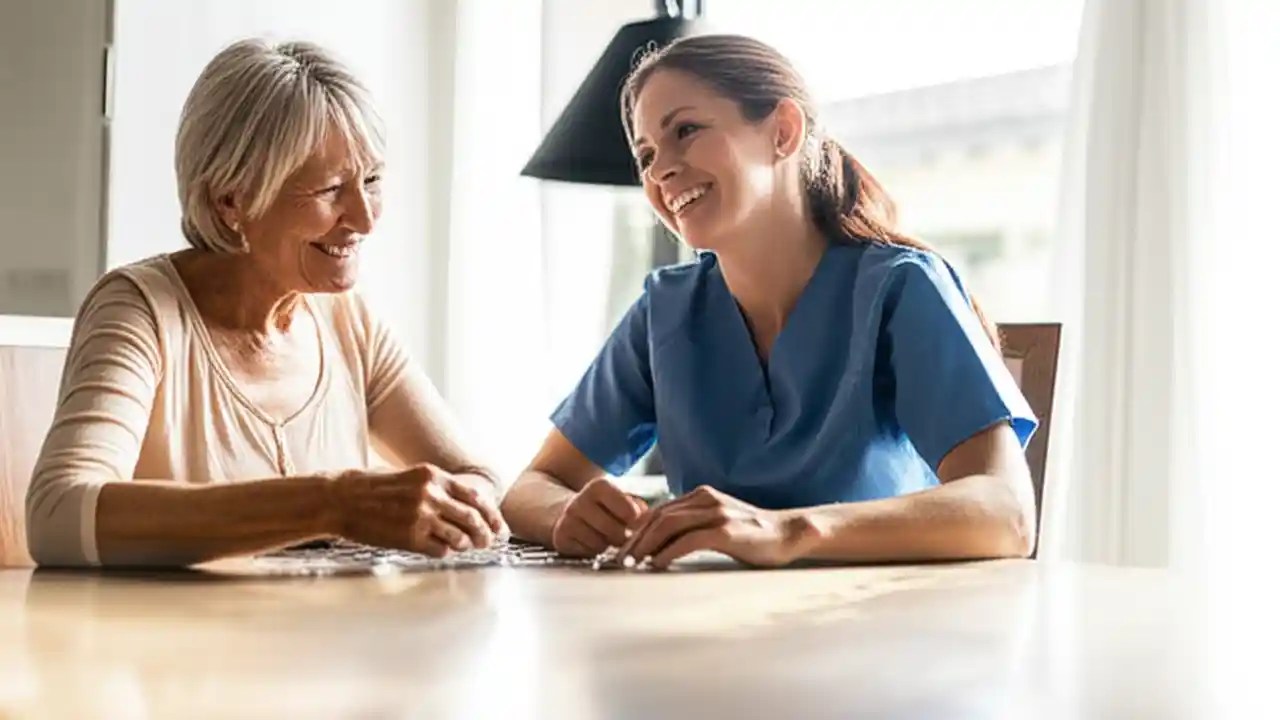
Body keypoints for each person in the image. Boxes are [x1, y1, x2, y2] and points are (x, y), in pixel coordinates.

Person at [500, 35, 1038, 569]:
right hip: (709, 631)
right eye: (645, 156)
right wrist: (566, 513)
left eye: (685, 131)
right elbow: (531, 487)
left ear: (783, 132)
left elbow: (1006, 512)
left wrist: (787, 531)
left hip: (880, 633)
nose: (660, 169)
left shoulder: (900, 289)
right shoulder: (665, 312)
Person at [25, 39, 504, 567]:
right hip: (168, 647)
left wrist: (446, 509)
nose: (365, 219)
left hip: (323, 645)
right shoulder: (141, 312)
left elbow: (476, 478)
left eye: (371, 180)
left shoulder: (351, 323)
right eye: (329, 190)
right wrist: (331, 503)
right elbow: (58, 516)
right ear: (231, 200)